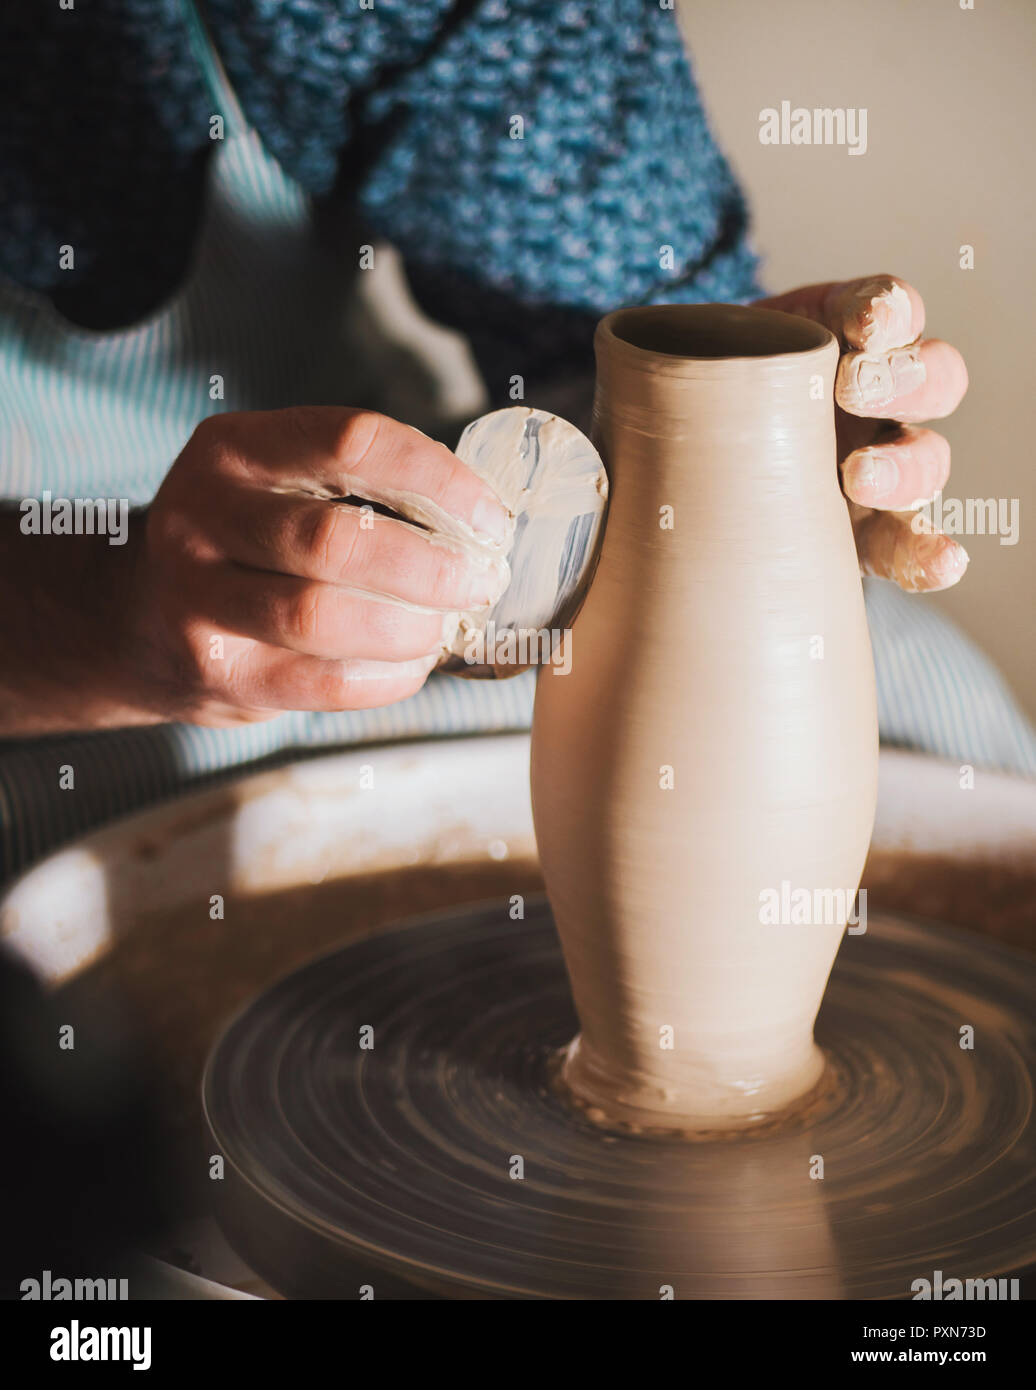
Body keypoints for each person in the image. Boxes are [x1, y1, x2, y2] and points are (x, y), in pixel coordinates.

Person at [1, 0, 1032, 884]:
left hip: (358, 522)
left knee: (918, 700)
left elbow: (611, 286)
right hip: (56, 670)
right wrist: (100, 611)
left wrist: (730, 424)